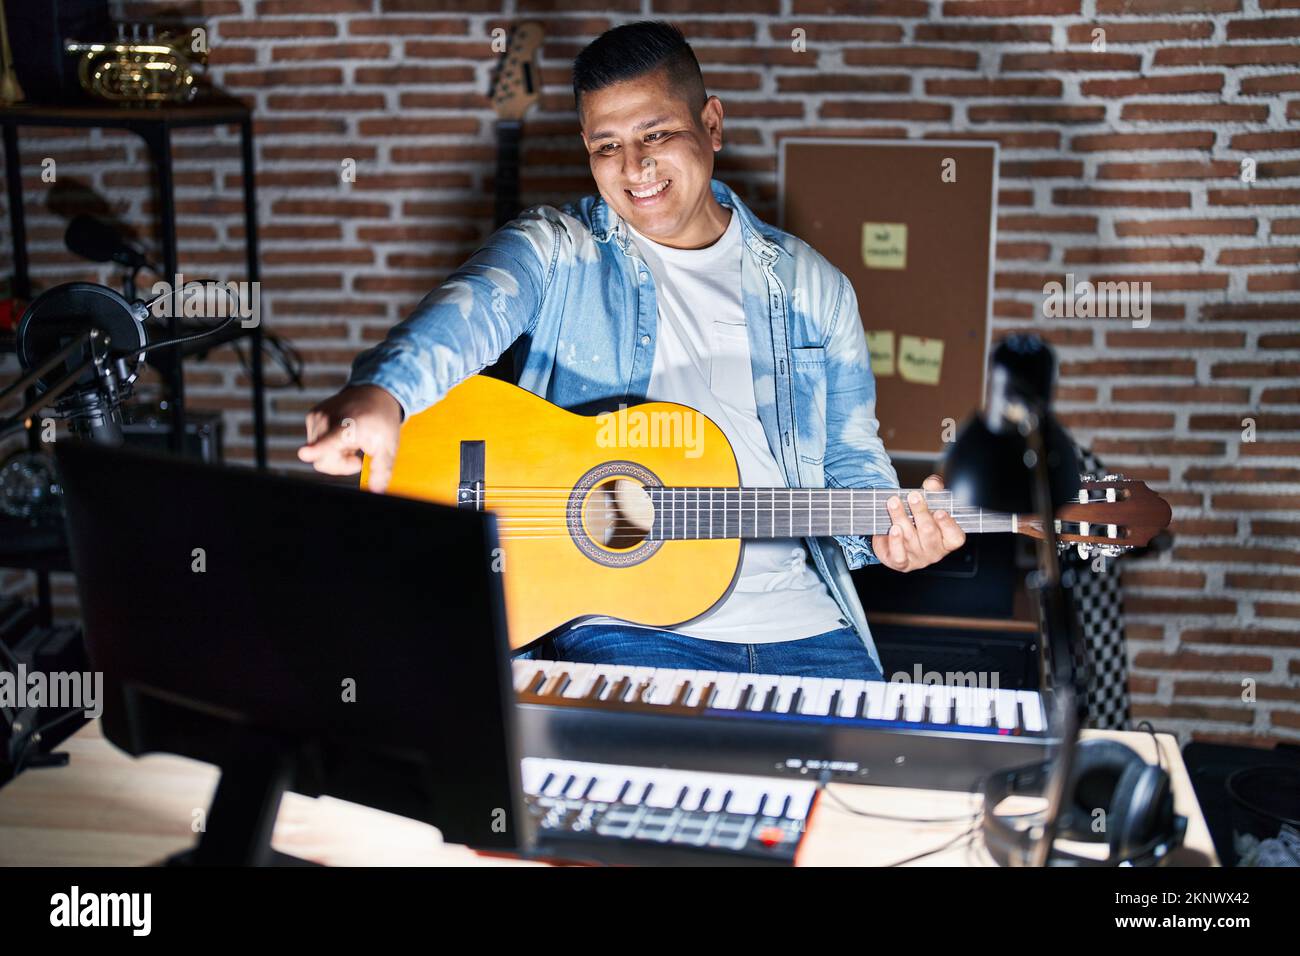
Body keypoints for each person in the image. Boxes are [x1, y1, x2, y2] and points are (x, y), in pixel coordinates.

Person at [298, 21, 965, 680]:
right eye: (606, 146)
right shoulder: (558, 250)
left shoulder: (814, 288)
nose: (633, 168)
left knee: (885, 776)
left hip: (804, 626)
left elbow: (854, 464)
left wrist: (892, 539)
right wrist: (384, 394)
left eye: (656, 134)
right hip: (621, 624)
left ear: (712, 125)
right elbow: (470, 310)